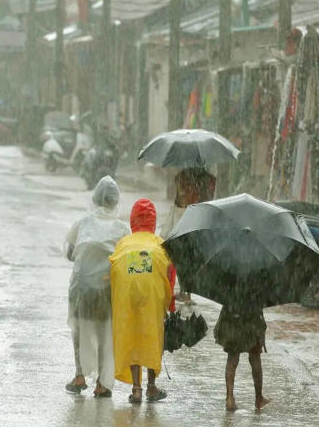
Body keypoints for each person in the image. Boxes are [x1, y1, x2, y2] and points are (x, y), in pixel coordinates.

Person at [64, 176, 130, 398]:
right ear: (115, 201)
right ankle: (102, 383)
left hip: (81, 288)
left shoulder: (83, 223)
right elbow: (126, 261)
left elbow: (69, 253)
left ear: (94, 198)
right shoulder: (122, 229)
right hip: (105, 288)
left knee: (78, 329)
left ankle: (79, 375)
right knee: (104, 333)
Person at [110, 199, 173, 404]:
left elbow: (113, 272)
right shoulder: (160, 244)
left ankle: (136, 389)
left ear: (132, 219)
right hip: (152, 298)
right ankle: (151, 387)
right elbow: (170, 274)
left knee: (132, 339)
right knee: (151, 338)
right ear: (153, 221)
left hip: (127, 298)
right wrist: (170, 305)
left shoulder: (124, 244)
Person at [160, 167, 216, 304]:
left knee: (184, 261)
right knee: (188, 261)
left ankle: (186, 292)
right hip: (192, 226)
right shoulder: (204, 179)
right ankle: (186, 292)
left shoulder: (184, 177)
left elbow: (181, 201)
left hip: (186, 227)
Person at [215, 304, 270, 412]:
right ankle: (258, 398)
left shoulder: (229, 288)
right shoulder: (256, 288)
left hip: (232, 314)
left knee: (232, 357)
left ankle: (229, 398)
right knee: (255, 356)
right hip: (252, 315)